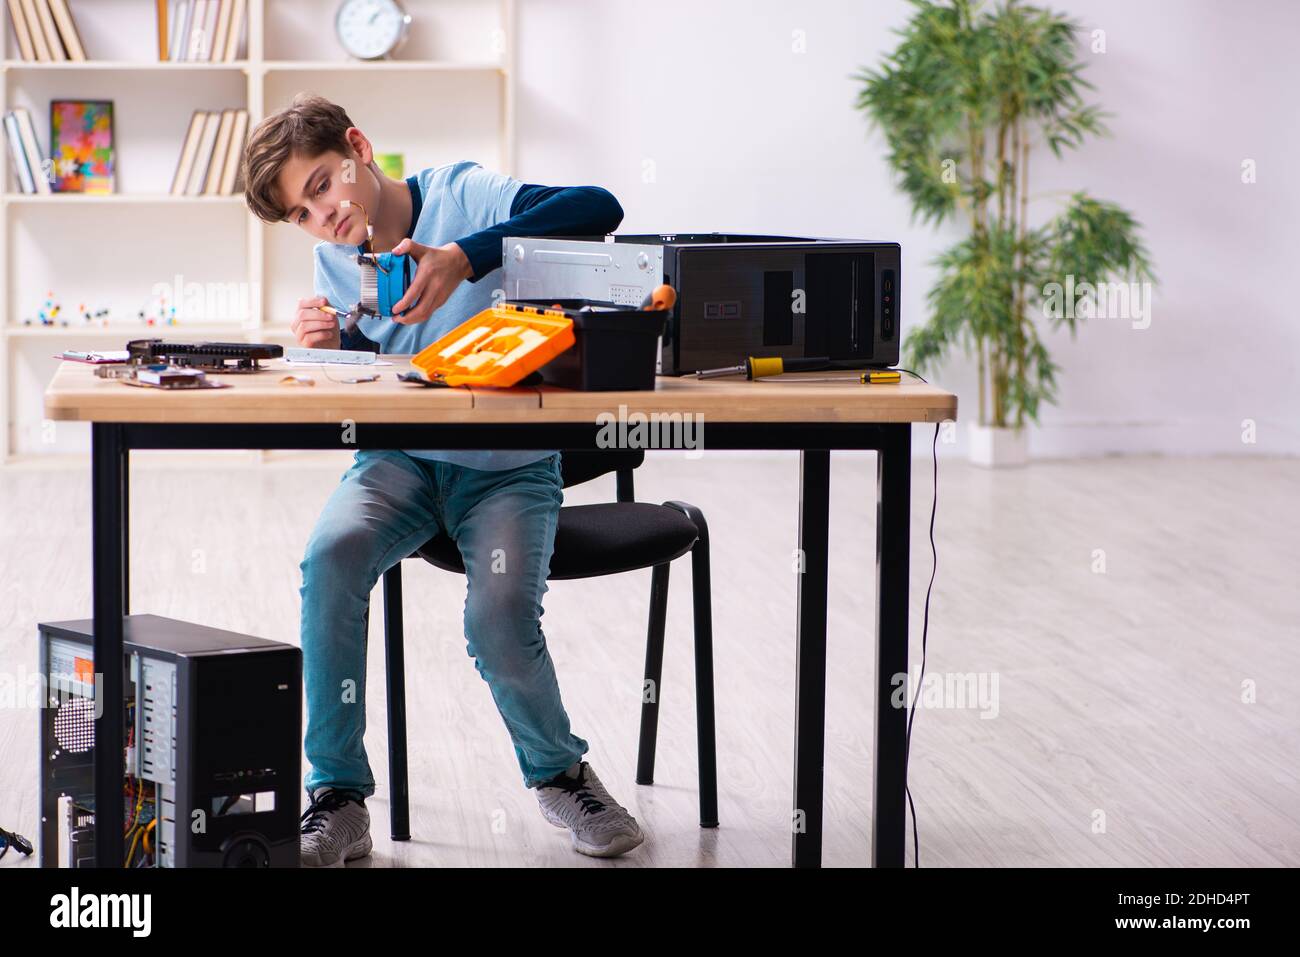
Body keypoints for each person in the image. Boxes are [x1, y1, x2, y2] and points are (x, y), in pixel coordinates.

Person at [241, 93, 644, 866]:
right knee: (330, 558)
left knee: (496, 616)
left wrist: (465, 256)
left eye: (323, 183)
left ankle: (562, 774)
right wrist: (338, 343)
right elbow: (383, 366)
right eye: (300, 211)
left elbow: (600, 206)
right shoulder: (335, 257)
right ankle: (337, 797)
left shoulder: (465, 194)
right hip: (399, 461)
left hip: (508, 470)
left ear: (359, 146)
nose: (322, 216)